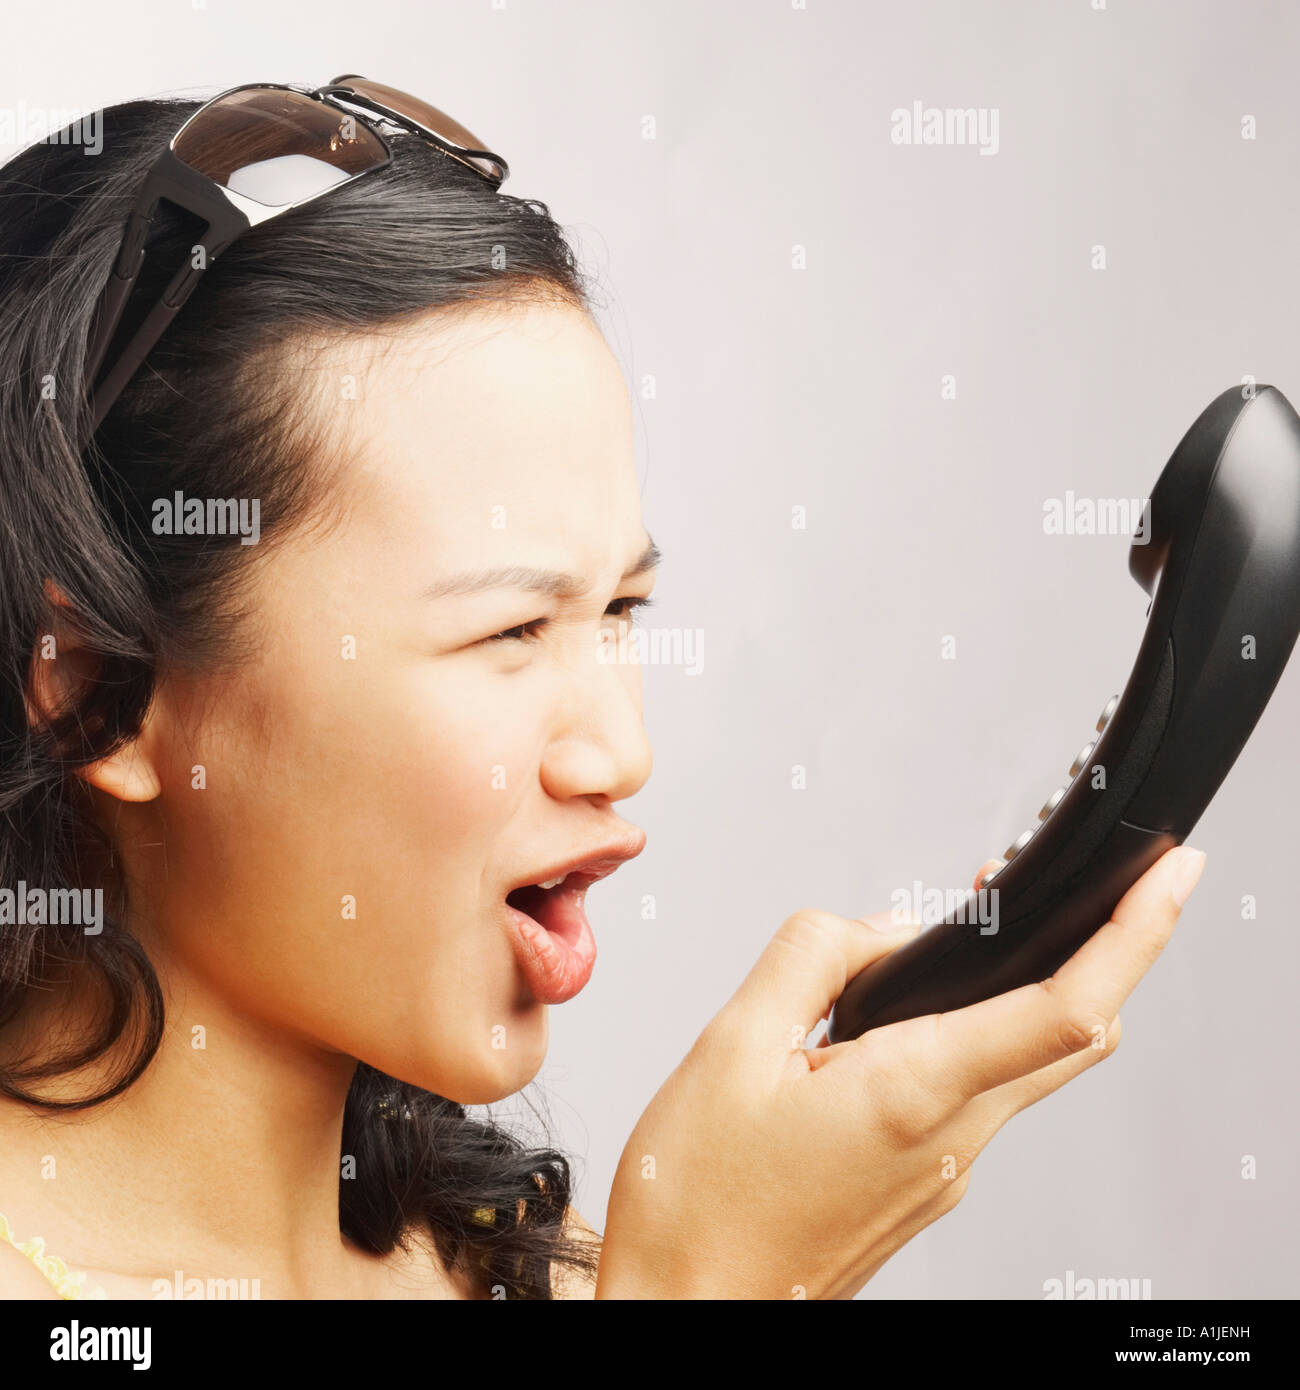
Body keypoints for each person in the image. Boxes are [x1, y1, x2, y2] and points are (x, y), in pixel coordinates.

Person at [0, 84, 1205, 1301]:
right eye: (511, 627)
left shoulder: (542, 1263)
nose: (618, 754)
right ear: (105, 688)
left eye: (617, 611)